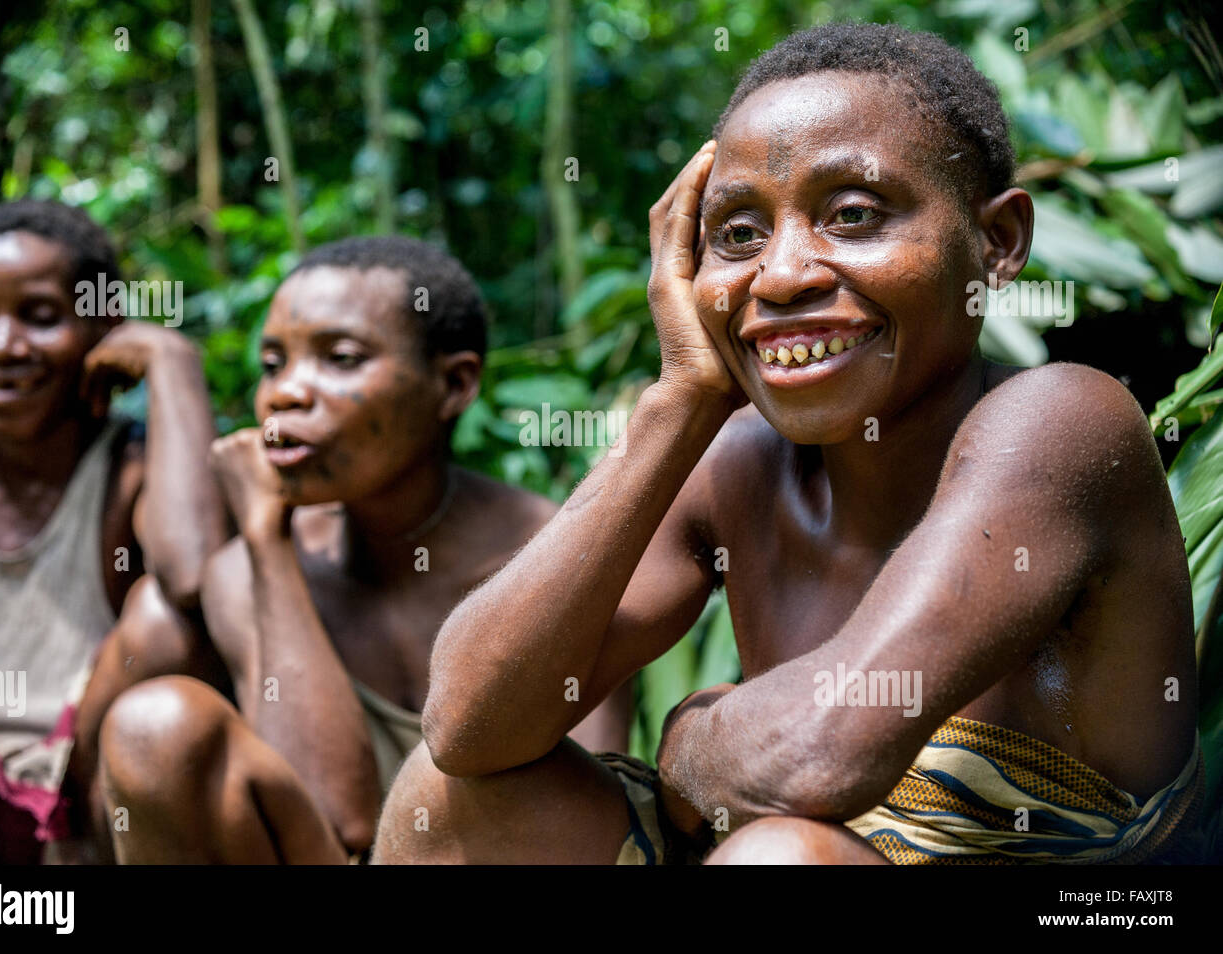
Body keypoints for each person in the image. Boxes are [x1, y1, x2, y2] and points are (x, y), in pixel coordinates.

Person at [372, 23, 1204, 865]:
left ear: (998, 243)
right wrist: (680, 400)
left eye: (852, 215)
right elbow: (467, 725)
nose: (780, 276)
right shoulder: (735, 461)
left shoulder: (1061, 421)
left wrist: (686, 736)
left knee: (777, 858)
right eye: (738, 234)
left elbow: (819, 752)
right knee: (446, 805)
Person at [98, 236, 633, 863]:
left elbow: (596, 819)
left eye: (340, 358)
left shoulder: (559, 551)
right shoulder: (259, 563)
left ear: (454, 385)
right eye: (273, 364)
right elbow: (339, 819)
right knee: (153, 723)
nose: (285, 393)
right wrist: (267, 544)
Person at [0, 199, 226, 863]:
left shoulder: (127, 471)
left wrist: (172, 360)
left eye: (39, 316)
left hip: (79, 817)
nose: (1, 347)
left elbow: (195, 570)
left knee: (163, 624)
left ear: (103, 332)